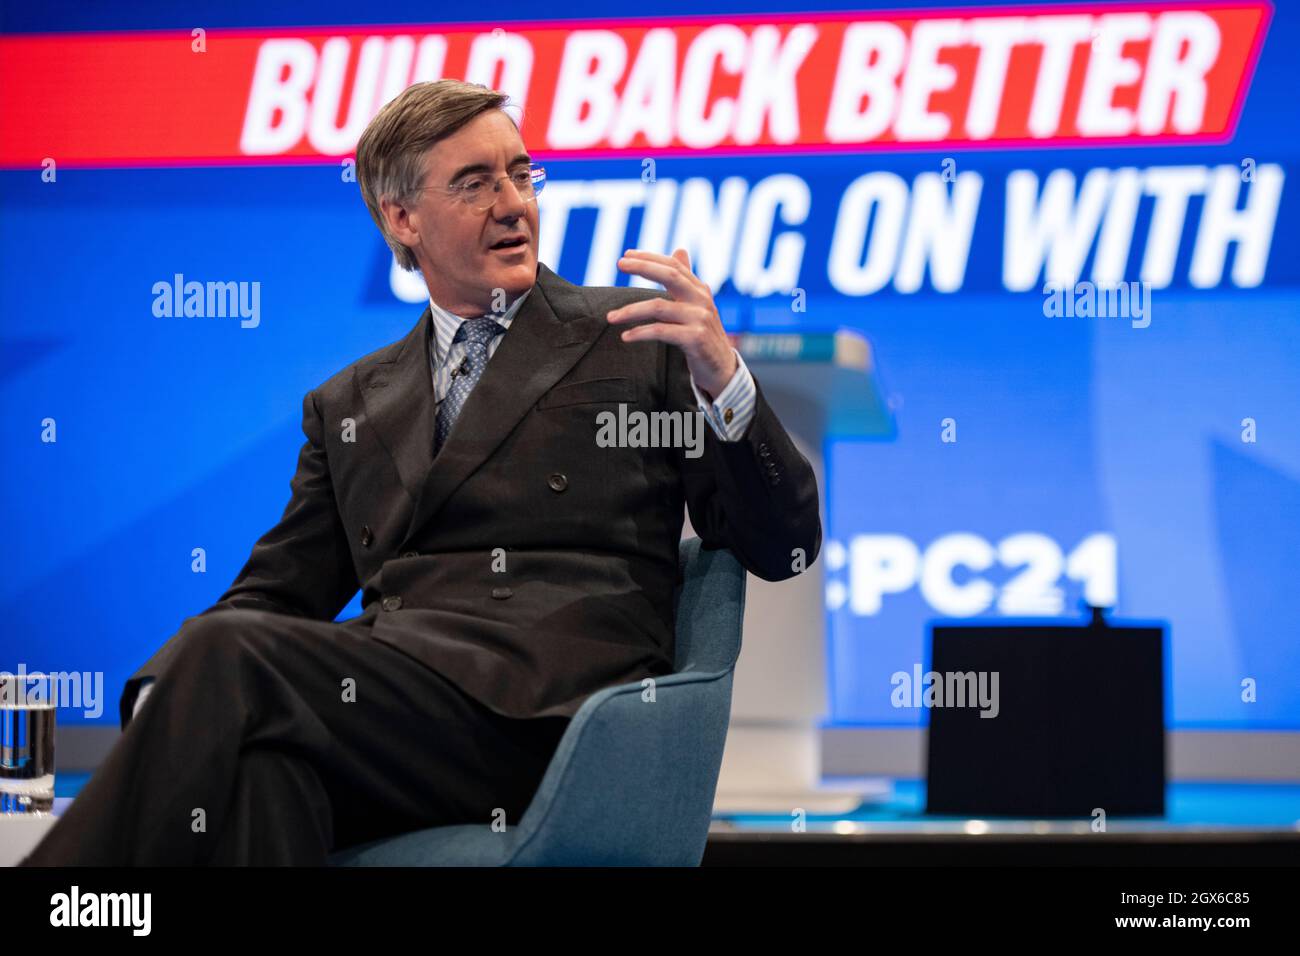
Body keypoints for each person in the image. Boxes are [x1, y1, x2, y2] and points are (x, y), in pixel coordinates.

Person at [19, 79, 820, 866]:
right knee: (265, 773)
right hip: (394, 717)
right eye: (475, 184)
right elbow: (275, 592)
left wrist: (725, 381)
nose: (514, 203)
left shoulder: (634, 336)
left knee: (229, 659)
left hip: (554, 721)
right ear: (402, 219)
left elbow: (784, 543)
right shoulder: (351, 402)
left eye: (520, 172)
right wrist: (170, 700)